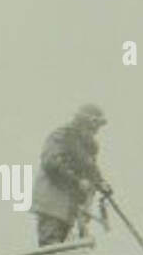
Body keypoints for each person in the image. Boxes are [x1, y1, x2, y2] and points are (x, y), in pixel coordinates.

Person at [32, 104, 111, 246]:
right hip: (53, 200)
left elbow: (91, 169)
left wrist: (101, 183)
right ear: (83, 121)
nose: (96, 131)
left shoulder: (89, 146)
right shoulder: (62, 135)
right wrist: (77, 180)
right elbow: (51, 163)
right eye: (94, 125)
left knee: (66, 244)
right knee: (51, 243)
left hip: (71, 205)